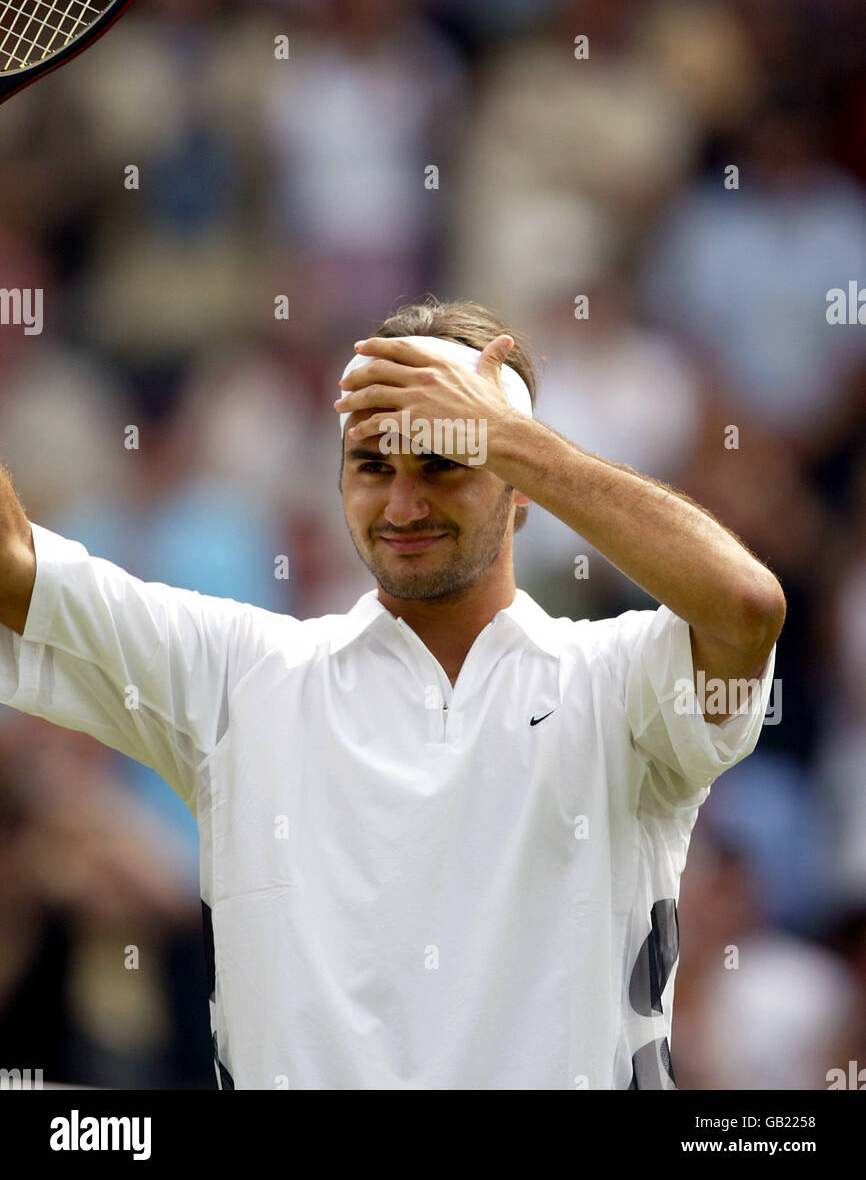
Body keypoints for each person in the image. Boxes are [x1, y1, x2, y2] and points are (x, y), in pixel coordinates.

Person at [0, 298, 785, 1090]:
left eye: (443, 461)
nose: (403, 506)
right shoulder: (241, 673)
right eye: (373, 465)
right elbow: (11, 566)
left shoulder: (617, 679)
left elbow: (746, 606)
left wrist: (509, 435)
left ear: (519, 486)